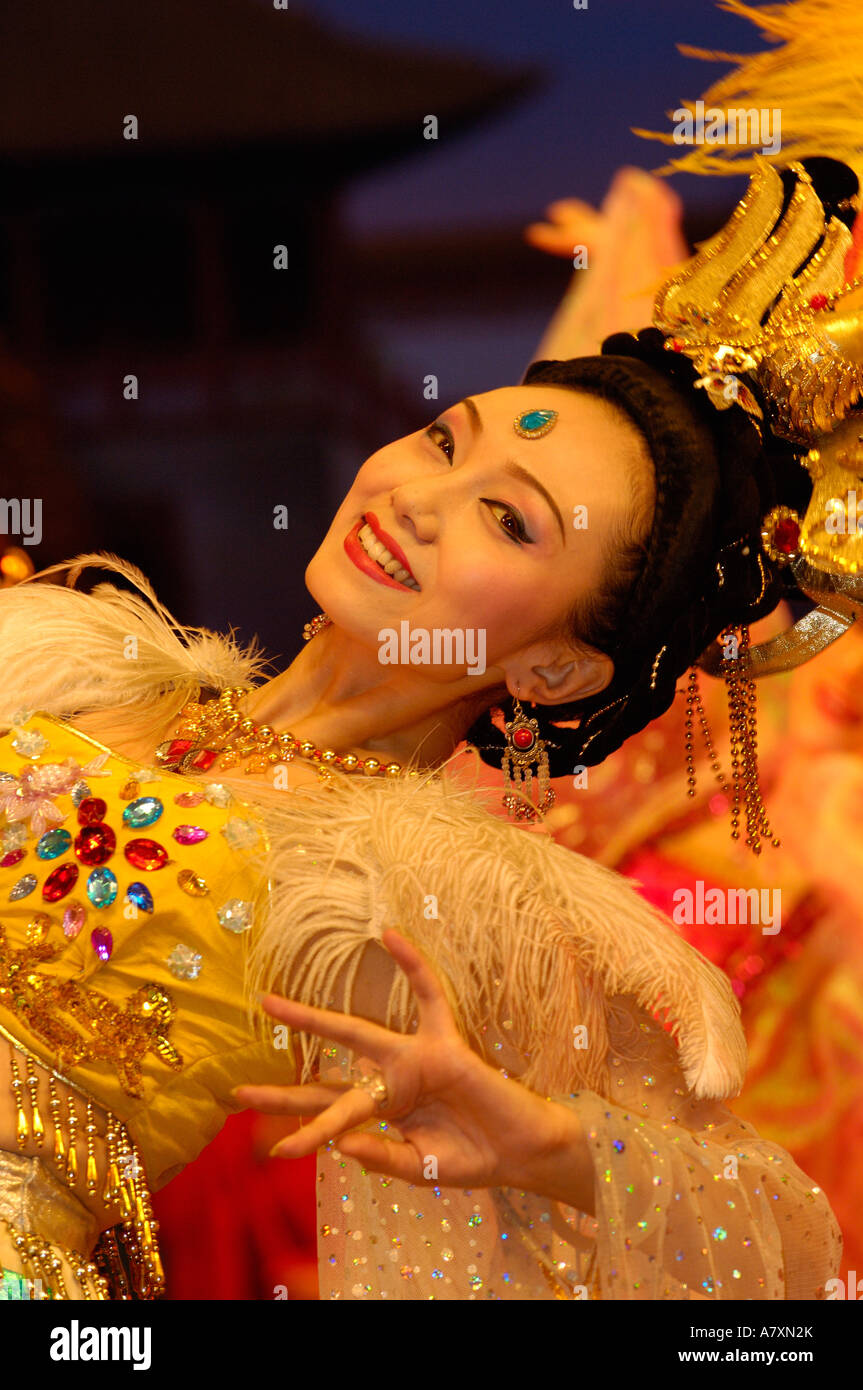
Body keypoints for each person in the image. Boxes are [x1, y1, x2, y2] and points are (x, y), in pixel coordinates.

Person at [0, 143, 857, 1301]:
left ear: (555, 666)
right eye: (446, 440)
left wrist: (554, 1147)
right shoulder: (77, 654)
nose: (415, 497)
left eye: (508, 521)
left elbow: (784, 1250)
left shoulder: (428, 901)